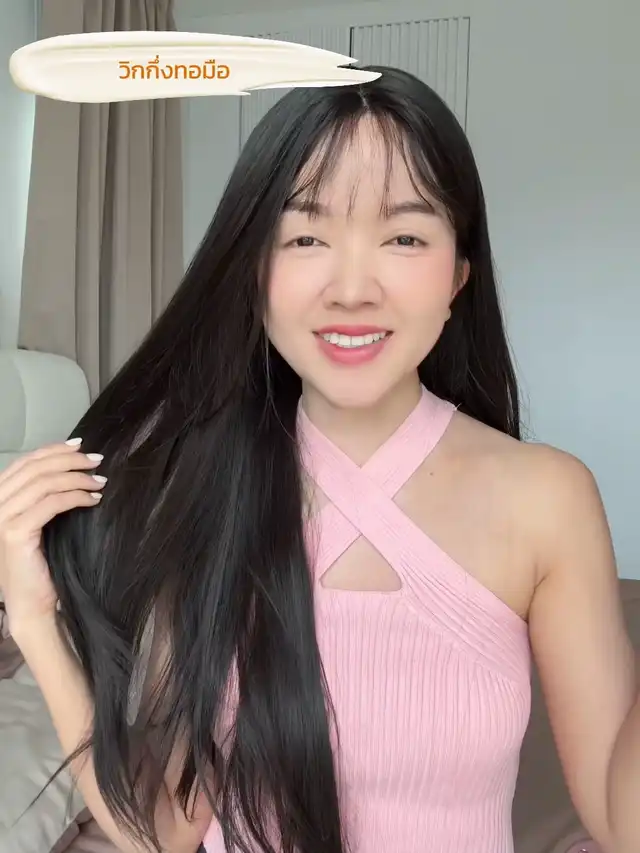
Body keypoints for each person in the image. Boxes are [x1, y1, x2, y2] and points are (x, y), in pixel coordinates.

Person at [0, 65, 638, 853]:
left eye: (404, 237)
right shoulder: (201, 491)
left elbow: (624, 821)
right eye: (306, 237)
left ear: (457, 277)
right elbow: (163, 829)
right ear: (254, 272)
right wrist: (34, 617)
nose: (351, 288)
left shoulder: (546, 498)